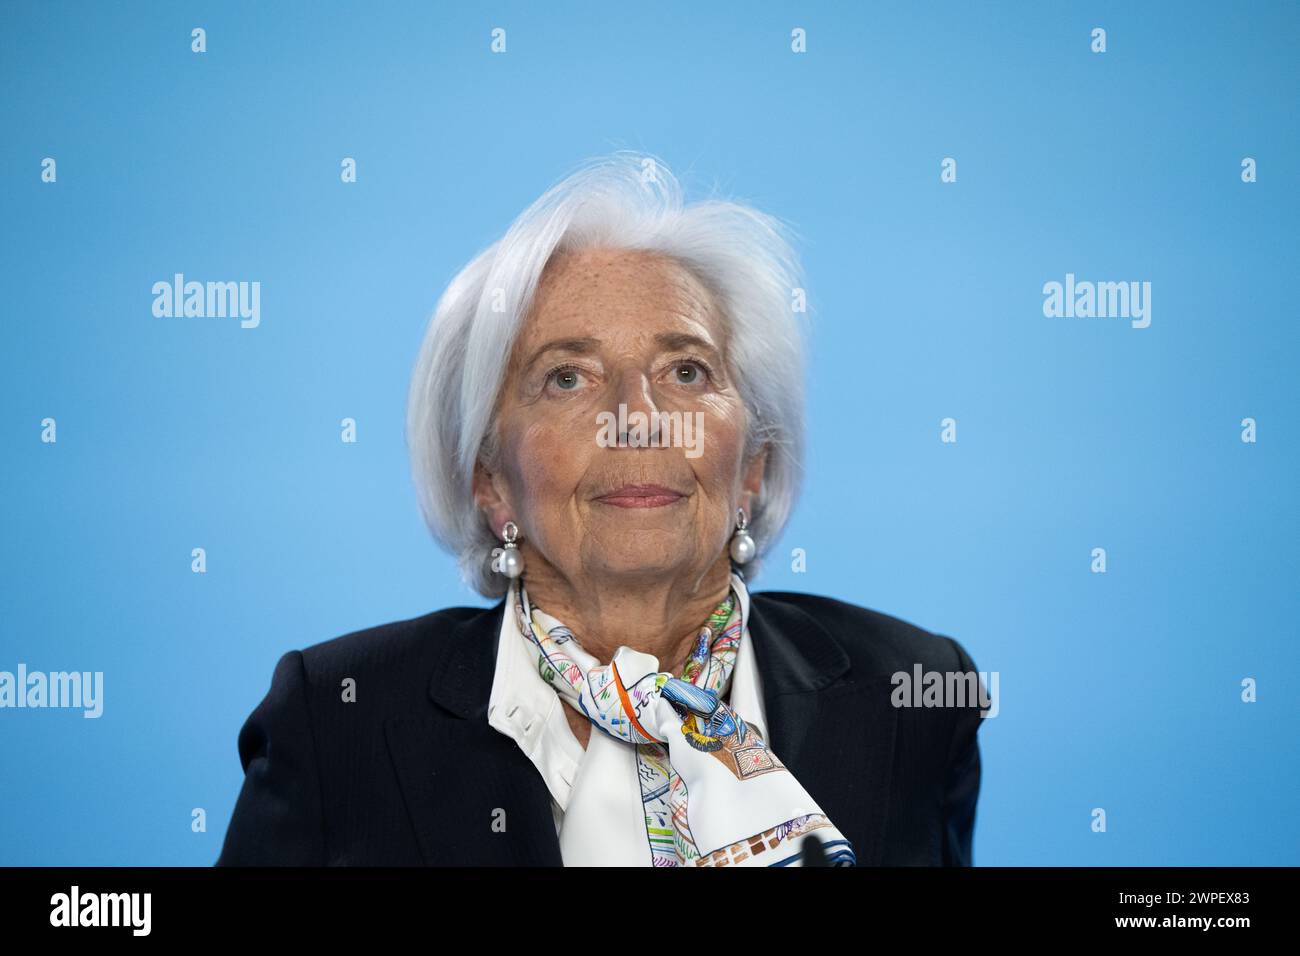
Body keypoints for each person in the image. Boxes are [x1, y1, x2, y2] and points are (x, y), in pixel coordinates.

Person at [216, 151, 984, 867]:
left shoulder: (911, 694)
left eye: (686, 370)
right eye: (567, 379)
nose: (637, 417)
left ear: (754, 466)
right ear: (491, 481)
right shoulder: (336, 718)